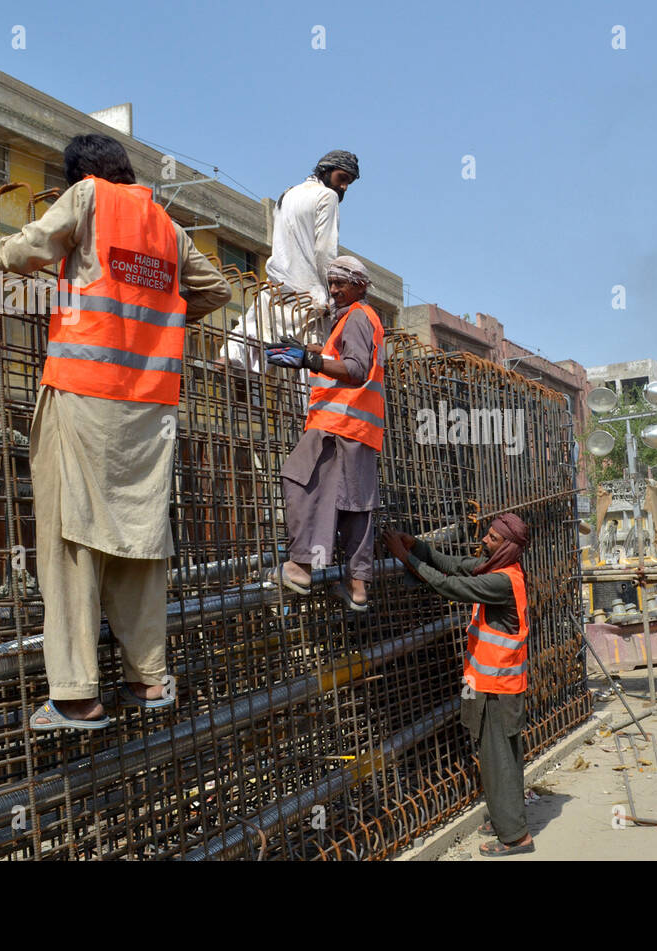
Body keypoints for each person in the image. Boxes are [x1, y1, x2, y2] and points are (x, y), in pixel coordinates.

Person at [0, 134, 231, 730]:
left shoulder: (88, 197)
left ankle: (76, 695)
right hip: (150, 406)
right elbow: (215, 290)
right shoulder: (167, 228)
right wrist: (162, 318)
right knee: (140, 539)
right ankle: (148, 679)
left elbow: (34, 246)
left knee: (69, 536)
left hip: (85, 390)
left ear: (79, 176)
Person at [382, 516, 535, 857]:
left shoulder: (502, 582)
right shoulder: (497, 567)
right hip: (491, 684)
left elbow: (449, 585)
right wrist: (417, 546)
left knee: (499, 760)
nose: (484, 539)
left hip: (499, 688)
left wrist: (406, 559)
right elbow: (454, 564)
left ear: (507, 545)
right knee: (499, 756)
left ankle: (515, 837)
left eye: (493, 537)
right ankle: (506, 819)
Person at [265, 255, 383, 610]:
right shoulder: (366, 320)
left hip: (336, 425)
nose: (333, 291)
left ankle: (300, 566)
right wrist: (311, 351)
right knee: (355, 506)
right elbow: (347, 358)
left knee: (299, 481)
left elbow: (356, 368)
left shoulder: (358, 317)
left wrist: (309, 360)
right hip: (360, 430)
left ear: (361, 285)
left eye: (341, 284)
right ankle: (358, 585)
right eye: (331, 283)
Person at [219, 150, 360, 367]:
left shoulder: (288, 193)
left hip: (277, 285)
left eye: (349, 182)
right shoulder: (327, 197)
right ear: (326, 171)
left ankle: (229, 358)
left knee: (250, 330)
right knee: (308, 362)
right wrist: (331, 291)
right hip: (307, 293)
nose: (344, 187)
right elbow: (324, 250)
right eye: (342, 178)